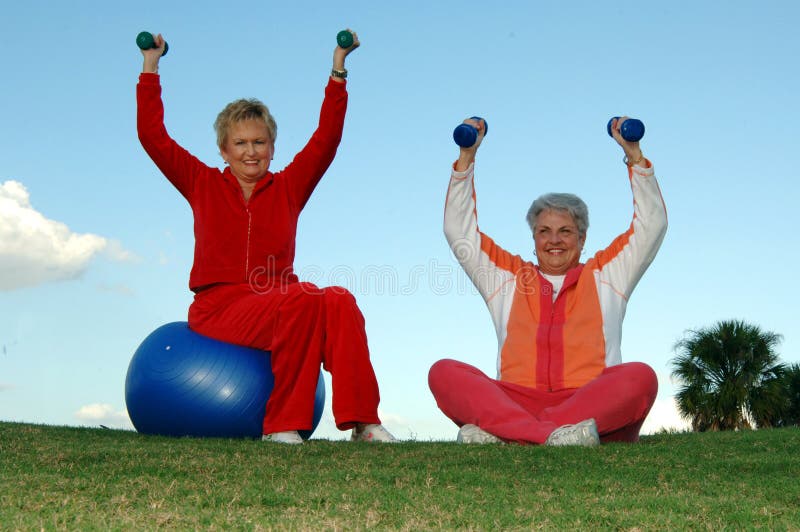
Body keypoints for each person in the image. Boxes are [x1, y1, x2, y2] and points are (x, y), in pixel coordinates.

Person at [137, 31, 396, 444]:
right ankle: (281, 427)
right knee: (304, 298)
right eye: (239, 143)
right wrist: (151, 66)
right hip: (219, 306)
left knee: (340, 301)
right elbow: (153, 137)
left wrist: (338, 71)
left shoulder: (290, 187)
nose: (250, 152)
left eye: (259, 142)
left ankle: (364, 423)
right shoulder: (201, 182)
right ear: (223, 149)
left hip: (279, 300)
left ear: (273, 147)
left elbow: (326, 141)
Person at [428, 117, 667, 446]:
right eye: (544, 231)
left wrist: (635, 157)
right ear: (534, 238)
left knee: (640, 377)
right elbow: (459, 230)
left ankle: (511, 434)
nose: (554, 240)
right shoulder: (507, 277)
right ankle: (549, 436)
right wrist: (466, 158)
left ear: (582, 239)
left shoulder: (607, 274)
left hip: (587, 403)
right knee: (444, 372)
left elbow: (651, 226)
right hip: (517, 399)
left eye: (565, 231)